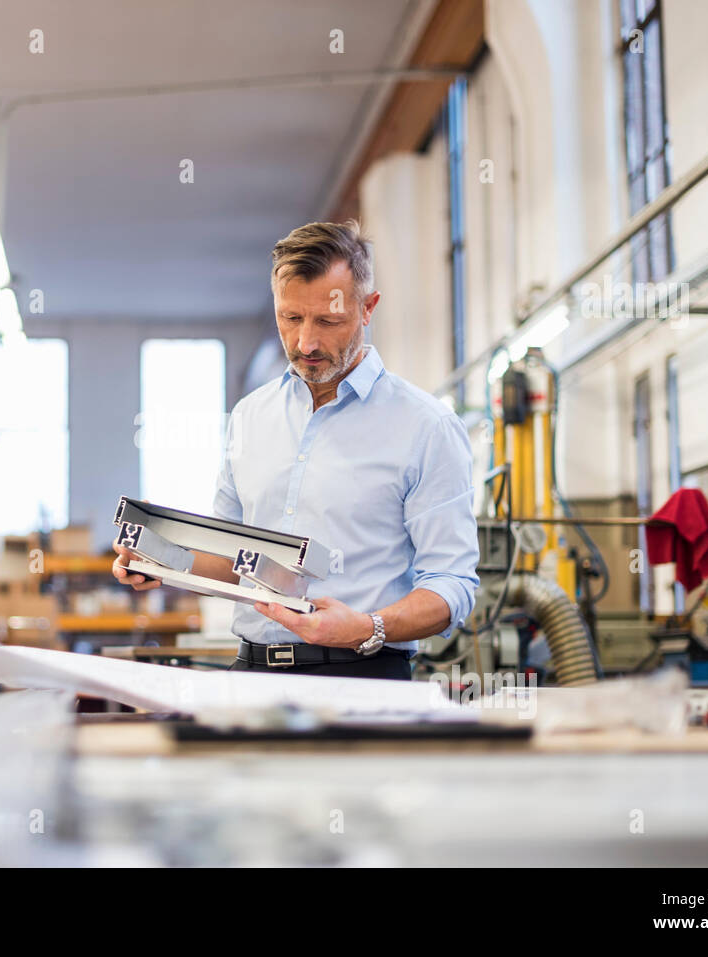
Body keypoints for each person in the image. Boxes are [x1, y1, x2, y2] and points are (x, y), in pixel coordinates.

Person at [113, 221, 479, 680]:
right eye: (291, 318)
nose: (306, 342)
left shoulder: (427, 427)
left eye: (327, 321)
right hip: (251, 673)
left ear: (368, 309)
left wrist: (367, 627)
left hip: (363, 677)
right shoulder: (250, 416)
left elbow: (453, 585)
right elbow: (232, 560)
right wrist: (161, 561)